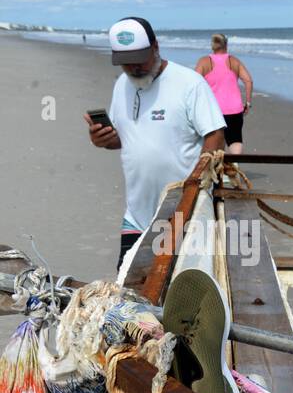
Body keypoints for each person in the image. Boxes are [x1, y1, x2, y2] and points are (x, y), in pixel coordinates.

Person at [84, 16, 226, 268]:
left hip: (183, 214)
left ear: (156, 47)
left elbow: (215, 134)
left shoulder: (189, 83)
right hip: (137, 215)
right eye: (126, 63)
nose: (134, 68)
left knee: (178, 294)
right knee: (127, 286)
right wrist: (102, 139)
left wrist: (196, 184)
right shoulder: (121, 86)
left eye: (140, 60)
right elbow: (125, 138)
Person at [195, 33, 253, 154]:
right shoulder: (234, 61)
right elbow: (248, 80)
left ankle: (218, 169)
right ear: (226, 44)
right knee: (235, 140)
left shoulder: (204, 61)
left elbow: (194, 83)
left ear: (212, 46)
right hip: (234, 109)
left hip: (213, 110)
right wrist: (248, 102)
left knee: (214, 142)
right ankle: (234, 166)